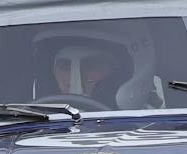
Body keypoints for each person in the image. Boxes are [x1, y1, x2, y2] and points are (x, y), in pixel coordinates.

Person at [34, 21, 163, 109]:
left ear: (122, 73)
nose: (75, 80)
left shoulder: (157, 130)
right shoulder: (35, 129)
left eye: (91, 65)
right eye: (65, 67)